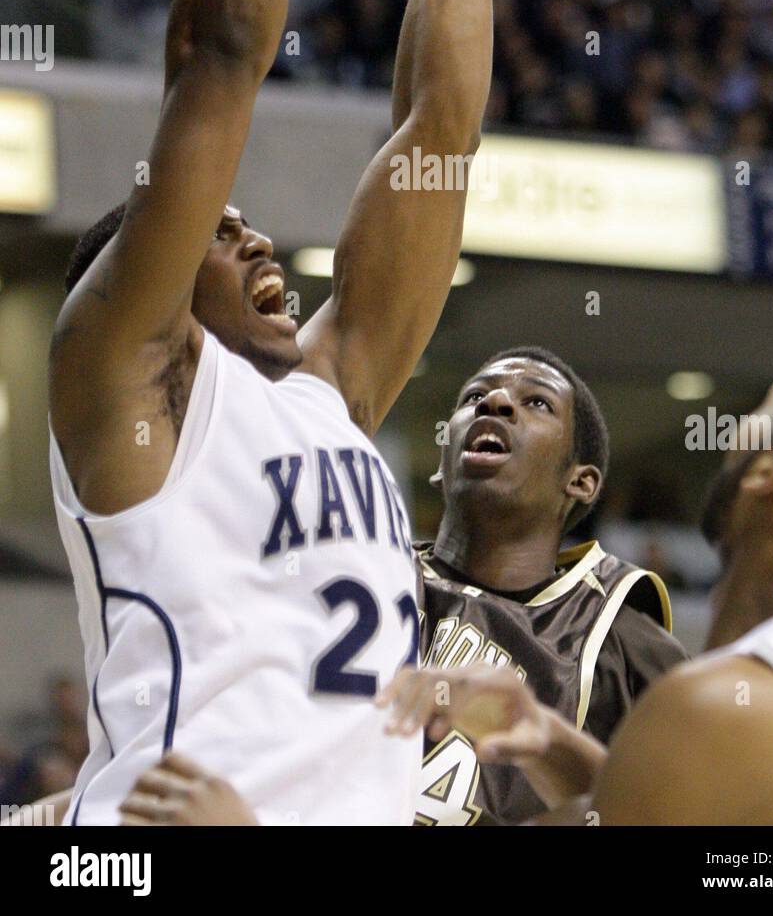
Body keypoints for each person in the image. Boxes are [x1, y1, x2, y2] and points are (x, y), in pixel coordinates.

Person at [48, 0, 509, 825]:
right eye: (223, 232)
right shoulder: (122, 381)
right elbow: (219, 52)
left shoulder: (329, 393)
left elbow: (437, 127)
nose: (258, 246)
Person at [116, 345, 685, 827]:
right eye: (473, 398)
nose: (496, 402)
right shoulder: (352, 570)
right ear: (440, 464)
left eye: (535, 402)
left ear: (581, 482)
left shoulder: (621, 636)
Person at [381, 347, 773, 826]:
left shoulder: (705, 694)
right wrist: (549, 739)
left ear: (768, 471)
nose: (495, 403)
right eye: (473, 397)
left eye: (756, 419)